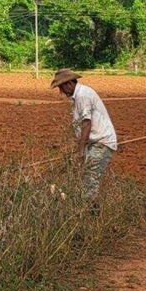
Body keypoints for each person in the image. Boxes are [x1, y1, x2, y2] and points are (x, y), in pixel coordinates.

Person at [51, 68, 118, 201]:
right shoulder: (78, 96)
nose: (61, 92)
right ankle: (88, 209)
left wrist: (81, 151)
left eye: (62, 88)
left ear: (69, 84)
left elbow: (86, 123)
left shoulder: (83, 96)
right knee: (87, 178)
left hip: (101, 143)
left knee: (90, 179)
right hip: (95, 143)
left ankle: (91, 213)